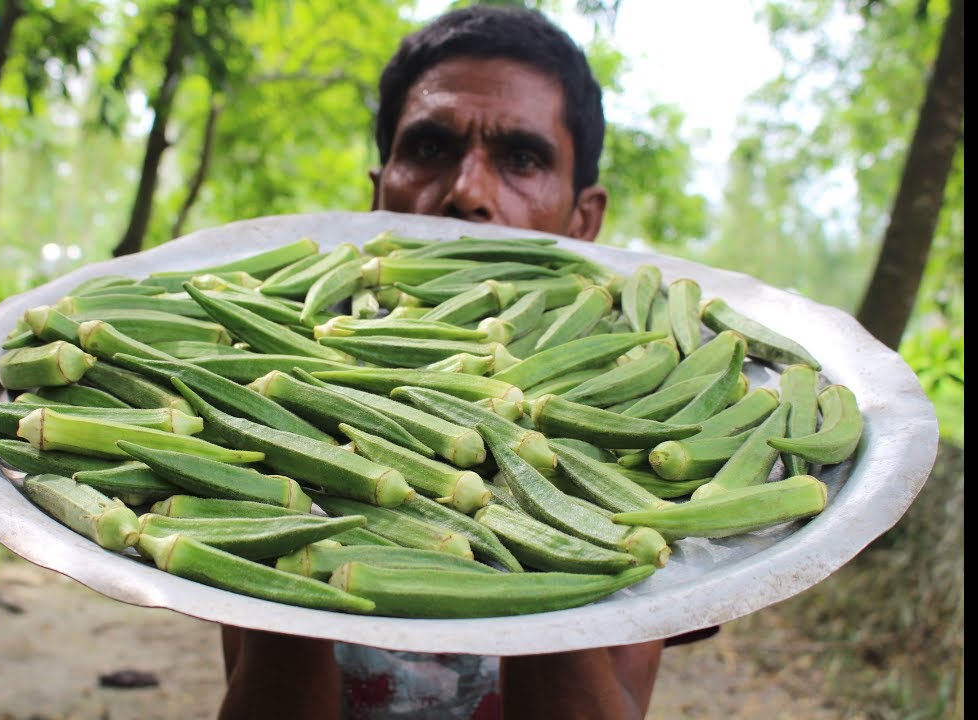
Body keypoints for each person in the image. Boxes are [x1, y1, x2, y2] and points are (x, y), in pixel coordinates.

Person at [217, 6, 717, 719]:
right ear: (376, 190)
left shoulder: (642, 409)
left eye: (521, 159)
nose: (467, 193)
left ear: (585, 222)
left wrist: (546, 493)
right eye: (427, 149)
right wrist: (295, 443)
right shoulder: (273, 376)